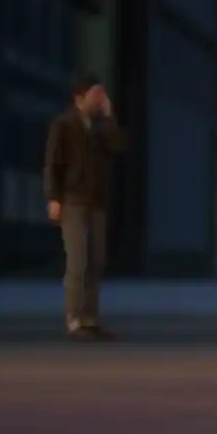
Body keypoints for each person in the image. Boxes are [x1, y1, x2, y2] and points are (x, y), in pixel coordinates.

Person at [43, 74, 127, 340]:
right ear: (80, 97)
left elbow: (119, 146)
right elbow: (53, 162)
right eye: (95, 94)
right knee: (77, 262)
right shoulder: (64, 124)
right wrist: (54, 198)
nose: (99, 99)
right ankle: (74, 318)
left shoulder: (102, 127)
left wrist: (110, 115)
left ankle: (90, 317)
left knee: (96, 261)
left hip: (97, 201)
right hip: (74, 200)